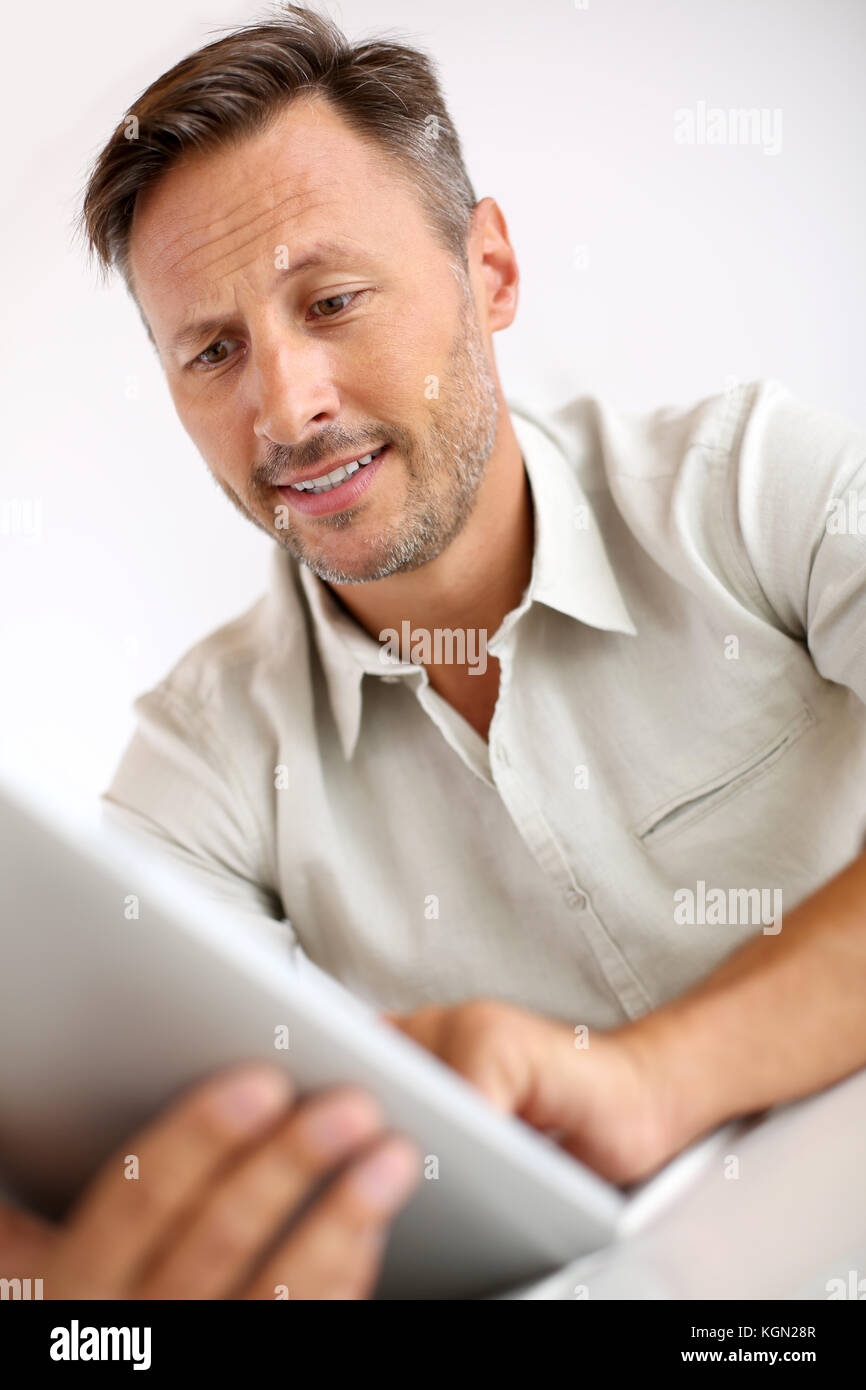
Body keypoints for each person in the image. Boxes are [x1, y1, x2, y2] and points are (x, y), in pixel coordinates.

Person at [7, 3, 866, 1299]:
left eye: (332, 299)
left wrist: (650, 1078)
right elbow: (81, 1151)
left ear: (491, 272)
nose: (286, 405)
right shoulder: (203, 764)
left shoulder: (750, 486)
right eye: (212, 350)